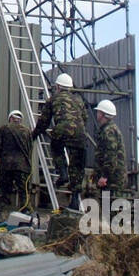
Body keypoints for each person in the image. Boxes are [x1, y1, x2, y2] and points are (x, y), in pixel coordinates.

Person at [31, 73, 87, 212]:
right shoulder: (79, 100)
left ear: (57, 86)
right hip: (80, 134)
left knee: (56, 147)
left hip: (62, 129)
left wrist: (34, 135)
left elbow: (44, 122)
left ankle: (62, 172)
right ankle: (74, 200)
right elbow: (84, 118)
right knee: (77, 166)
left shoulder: (53, 99)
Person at [0, 108, 32, 220]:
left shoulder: (4, 129)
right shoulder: (27, 131)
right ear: (20, 120)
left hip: (7, 165)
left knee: (2, 192)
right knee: (24, 193)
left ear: (10, 118)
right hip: (23, 167)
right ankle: (25, 219)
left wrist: (2, 156)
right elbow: (29, 150)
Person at [91, 99, 128, 199]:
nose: (97, 114)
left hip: (112, 181)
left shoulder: (109, 131)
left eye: (98, 112)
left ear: (103, 114)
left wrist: (104, 176)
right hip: (111, 179)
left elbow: (111, 156)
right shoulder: (108, 129)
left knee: (110, 210)